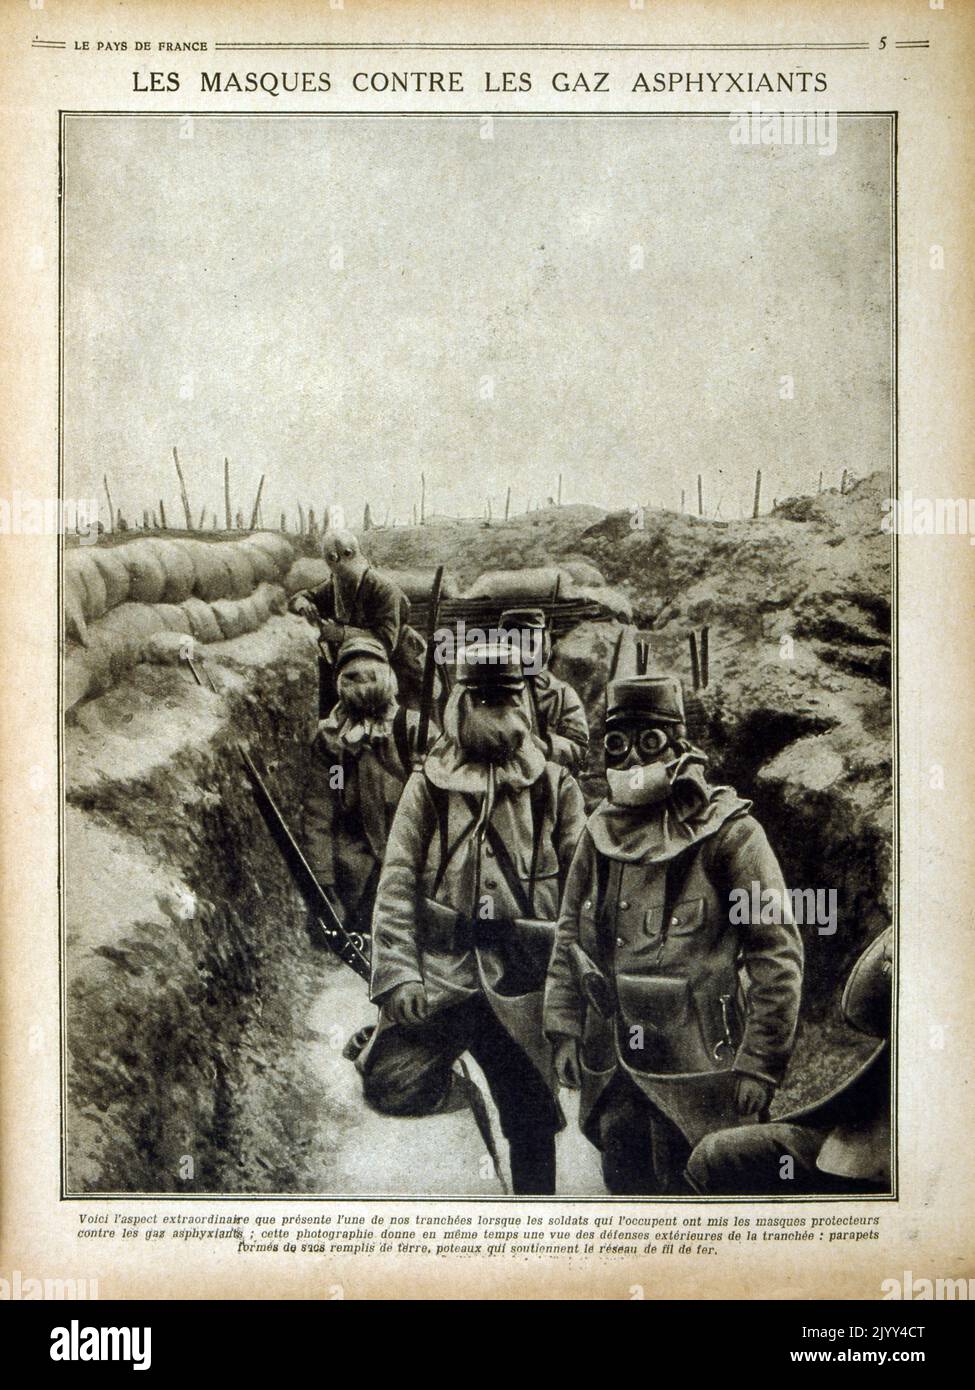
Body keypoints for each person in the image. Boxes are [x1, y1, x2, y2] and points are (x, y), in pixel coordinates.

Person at [543, 674, 803, 1196]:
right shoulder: (599, 829)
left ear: (678, 745)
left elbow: (776, 954)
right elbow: (570, 932)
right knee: (628, 1194)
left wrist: (759, 1062)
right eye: (619, 742)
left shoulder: (732, 833)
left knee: (702, 1198)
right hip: (614, 1065)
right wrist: (565, 1027)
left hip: (703, 1066)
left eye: (650, 741)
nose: (634, 759)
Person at [357, 639, 588, 1194]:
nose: (498, 715)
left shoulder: (556, 786)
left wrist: (572, 985)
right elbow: (396, 882)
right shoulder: (427, 786)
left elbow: (584, 895)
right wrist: (399, 974)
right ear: (460, 702)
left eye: (508, 700)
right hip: (444, 974)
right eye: (483, 701)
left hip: (522, 980)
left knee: (531, 1117)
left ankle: (536, 1232)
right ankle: (468, 1092)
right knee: (390, 1079)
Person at [685, 928, 891, 1195]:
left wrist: (757, 1067)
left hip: (881, 1169)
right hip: (859, 1147)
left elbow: (779, 965)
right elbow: (860, 1006)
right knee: (714, 1155)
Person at [304, 635, 422, 948]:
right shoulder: (332, 742)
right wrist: (324, 884)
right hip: (358, 875)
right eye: (352, 677)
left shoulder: (412, 730)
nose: (362, 684)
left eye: (371, 676)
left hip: (411, 867)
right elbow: (321, 811)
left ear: (388, 678)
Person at [289, 528, 425, 712]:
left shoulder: (384, 590)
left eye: (347, 577)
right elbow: (300, 597)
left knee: (403, 718)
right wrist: (302, 604)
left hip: (398, 662)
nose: (343, 582)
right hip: (357, 665)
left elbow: (386, 639)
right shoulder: (336, 585)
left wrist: (342, 634)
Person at [498, 606, 589, 773]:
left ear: (544, 644)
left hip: (548, 783)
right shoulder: (486, 690)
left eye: (530, 644)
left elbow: (580, 751)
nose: (523, 653)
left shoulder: (561, 693)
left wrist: (545, 747)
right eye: (514, 645)